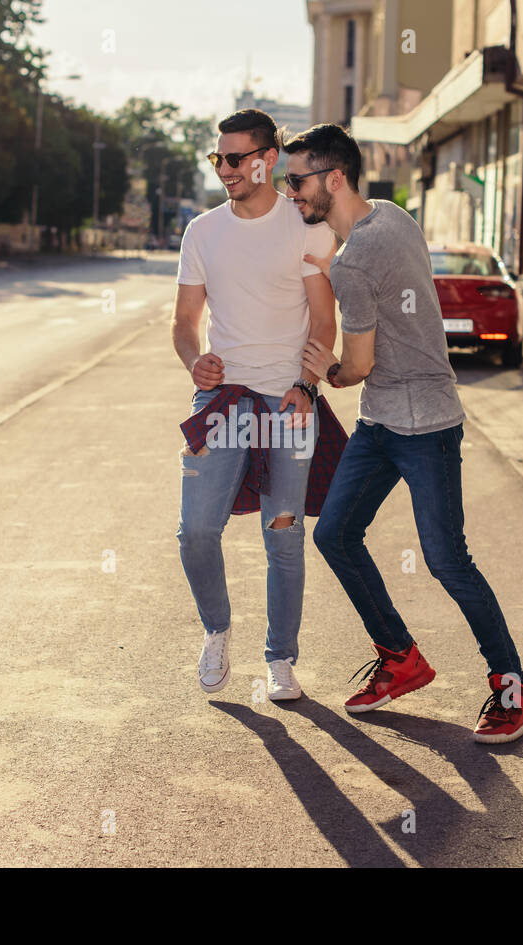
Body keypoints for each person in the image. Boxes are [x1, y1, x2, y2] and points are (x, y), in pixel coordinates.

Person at [283, 124, 523, 743]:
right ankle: (401, 658)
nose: (290, 193)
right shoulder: (395, 216)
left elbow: (360, 363)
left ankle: (513, 692)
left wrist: (324, 375)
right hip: (382, 420)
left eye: (296, 180)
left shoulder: (354, 262)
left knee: (448, 560)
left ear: (332, 179)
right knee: (337, 533)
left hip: (423, 424)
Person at [173, 109, 345, 701]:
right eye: (215, 158)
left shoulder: (306, 230)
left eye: (232, 158)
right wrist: (193, 359)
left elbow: (324, 321)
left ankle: (280, 659)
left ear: (266, 159)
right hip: (223, 400)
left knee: (284, 533)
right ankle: (217, 628)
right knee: (196, 531)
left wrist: (308, 385)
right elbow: (184, 324)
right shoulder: (202, 231)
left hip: (289, 401)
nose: (222, 169)